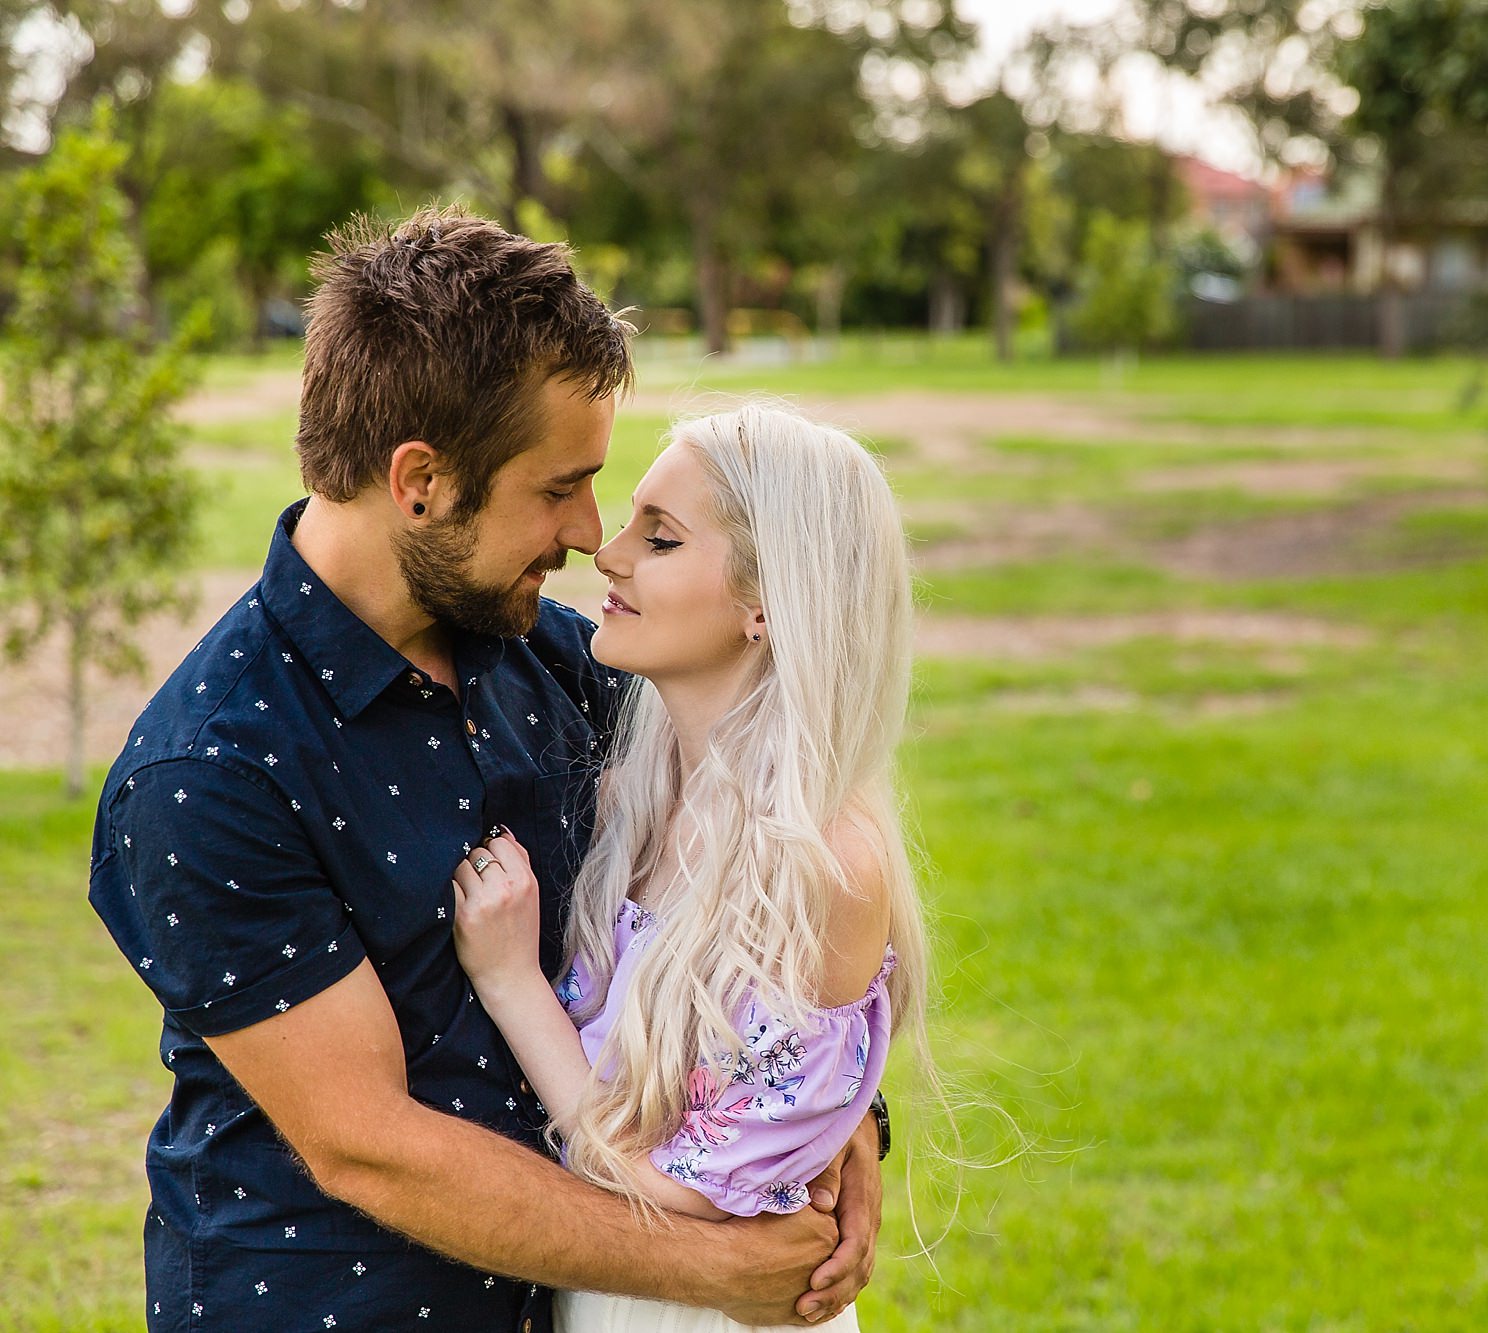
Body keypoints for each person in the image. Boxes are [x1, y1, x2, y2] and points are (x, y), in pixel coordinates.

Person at [87, 208, 882, 1333]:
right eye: (557, 488)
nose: (587, 531)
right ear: (421, 482)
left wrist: (835, 1120)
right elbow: (374, 1149)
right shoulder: (211, 772)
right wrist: (713, 1266)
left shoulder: (555, 664)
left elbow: (733, 921)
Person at [449, 402, 932, 1333]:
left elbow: (701, 1191)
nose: (609, 553)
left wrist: (513, 985)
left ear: (768, 601)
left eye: (660, 539)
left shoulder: (823, 864)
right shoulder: (631, 783)